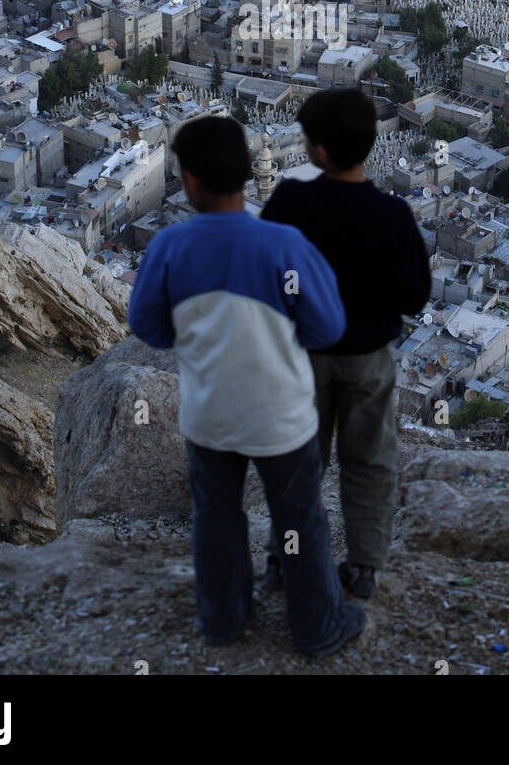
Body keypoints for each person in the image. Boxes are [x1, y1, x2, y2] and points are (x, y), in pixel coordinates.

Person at [128, 114, 365, 657]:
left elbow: (149, 327)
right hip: (280, 415)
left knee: (216, 517)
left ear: (190, 182)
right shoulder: (285, 246)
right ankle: (316, 627)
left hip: (210, 415)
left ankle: (223, 620)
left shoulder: (170, 248)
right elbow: (327, 326)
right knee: (299, 520)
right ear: (244, 173)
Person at [261, 88, 432, 600]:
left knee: (298, 465)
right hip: (367, 358)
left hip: (302, 358)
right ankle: (364, 569)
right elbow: (415, 296)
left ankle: (282, 563)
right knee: (370, 461)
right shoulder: (392, 214)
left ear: (316, 151)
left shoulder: (291, 200)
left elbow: (265, 273)